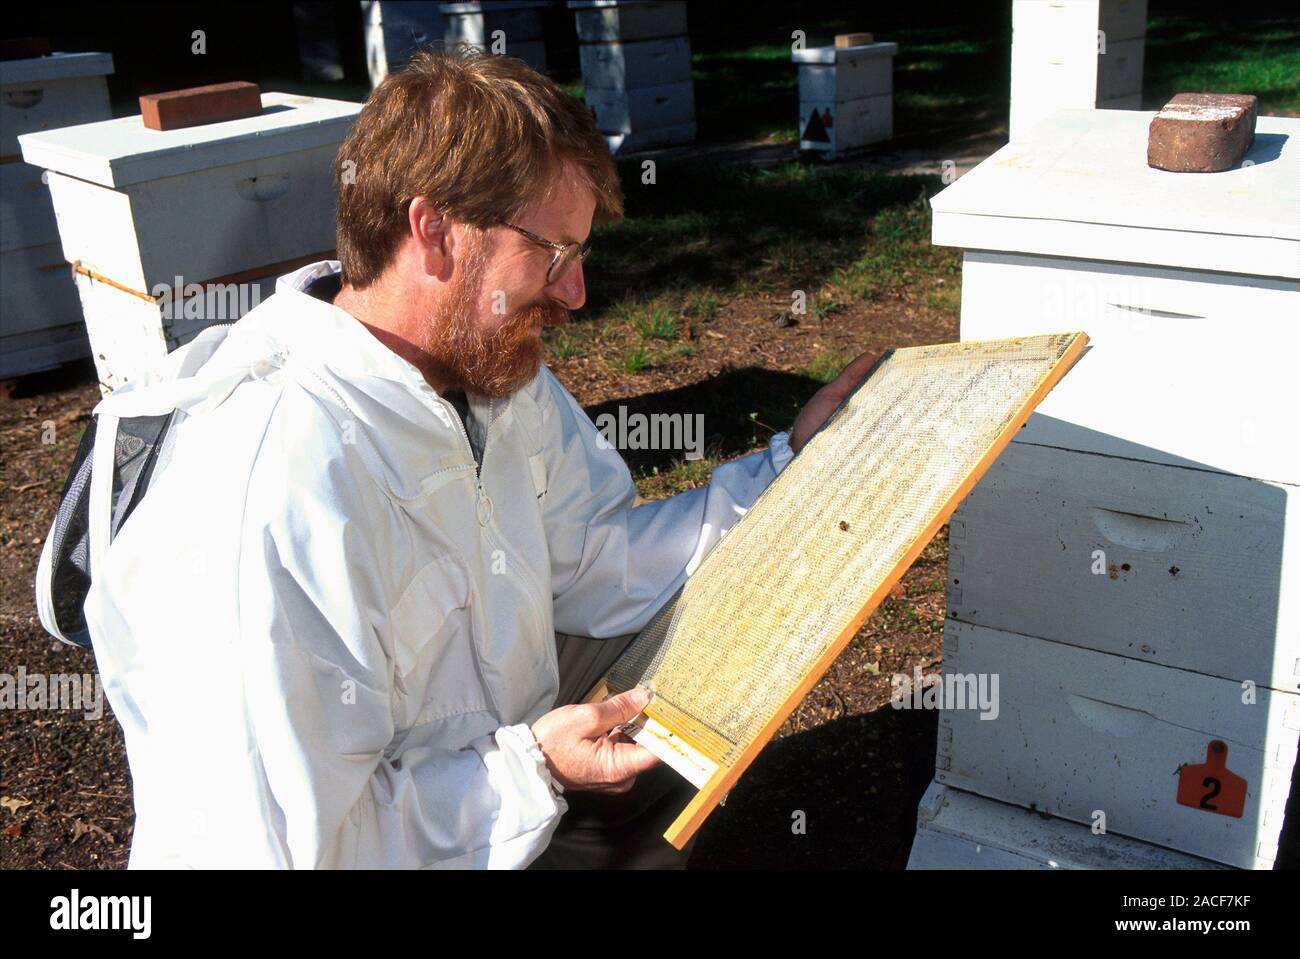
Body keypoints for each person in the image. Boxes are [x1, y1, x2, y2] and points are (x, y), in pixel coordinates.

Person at [80, 47, 880, 869]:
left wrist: (786, 469)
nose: (575, 294)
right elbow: (300, 849)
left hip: (492, 789)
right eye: (553, 253)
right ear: (434, 233)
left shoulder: (489, 377)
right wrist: (532, 768)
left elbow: (594, 559)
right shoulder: (276, 480)